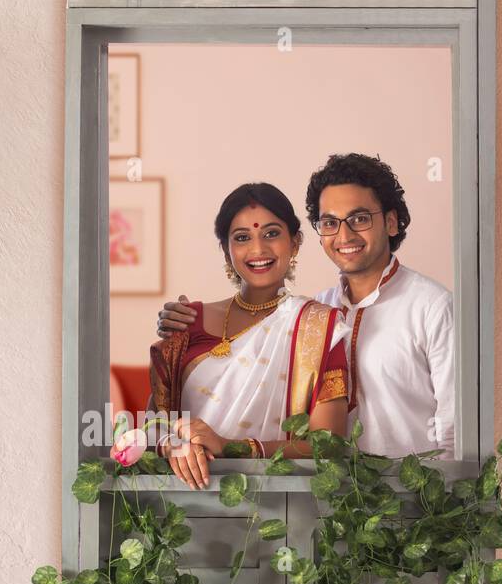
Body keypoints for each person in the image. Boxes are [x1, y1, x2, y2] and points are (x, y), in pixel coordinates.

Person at [158, 153, 455, 460]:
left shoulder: (432, 307)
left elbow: (453, 428)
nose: (344, 235)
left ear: (391, 222)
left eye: (359, 219)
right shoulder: (315, 313)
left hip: (411, 496)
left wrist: (437, 500)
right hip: (327, 499)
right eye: (330, 222)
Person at [147, 183, 352, 490]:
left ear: (295, 243)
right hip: (184, 498)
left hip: (282, 502)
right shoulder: (188, 323)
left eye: (271, 233)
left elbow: (328, 446)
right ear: (226, 251)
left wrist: (231, 446)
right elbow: (151, 427)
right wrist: (172, 445)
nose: (258, 250)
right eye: (242, 238)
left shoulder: (318, 329)